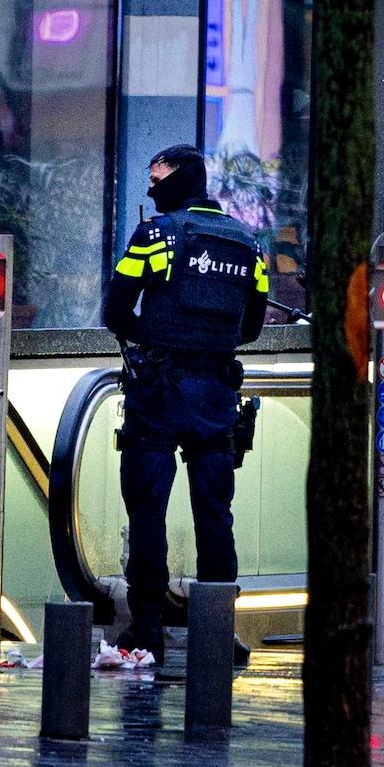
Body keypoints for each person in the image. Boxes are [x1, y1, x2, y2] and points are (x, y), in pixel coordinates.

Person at [102, 143, 268, 658]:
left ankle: (147, 627)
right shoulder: (247, 243)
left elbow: (114, 309)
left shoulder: (157, 236)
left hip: (158, 391)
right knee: (216, 513)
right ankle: (218, 628)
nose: (151, 187)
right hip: (217, 394)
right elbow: (254, 326)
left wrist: (152, 342)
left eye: (157, 176)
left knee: (148, 510)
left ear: (183, 178)